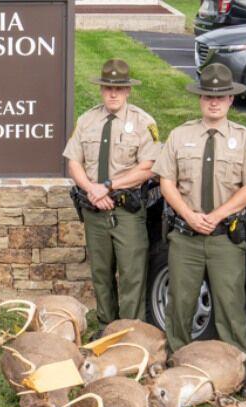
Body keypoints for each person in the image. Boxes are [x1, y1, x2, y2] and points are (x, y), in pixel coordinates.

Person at [151, 63, 246, 357]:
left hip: (224, 238)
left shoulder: (245, 139)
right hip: (186, 236)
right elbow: (166, 182)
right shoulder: (180, 136)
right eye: (208, 96)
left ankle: (236, 368)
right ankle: (177, 363)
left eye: (221, 96)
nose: (214, 102)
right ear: (200, 99)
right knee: (180, 304)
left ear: (231, 99)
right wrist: (189, 215)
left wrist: (217, 215)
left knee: (230, 305)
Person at [63, 59, 161, 333]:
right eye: (108, 88)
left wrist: (108, 186)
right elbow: (73, 161)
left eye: (119, 88)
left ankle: (130, 333)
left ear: (128, 90)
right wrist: (92, 189)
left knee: (132, 275)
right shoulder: (87, 120)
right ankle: (107, 328)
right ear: (101, 89)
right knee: (101, 274)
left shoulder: (144, 123)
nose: (113, 94)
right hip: (95, 210)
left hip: (126, 211)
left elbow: (149, 168)